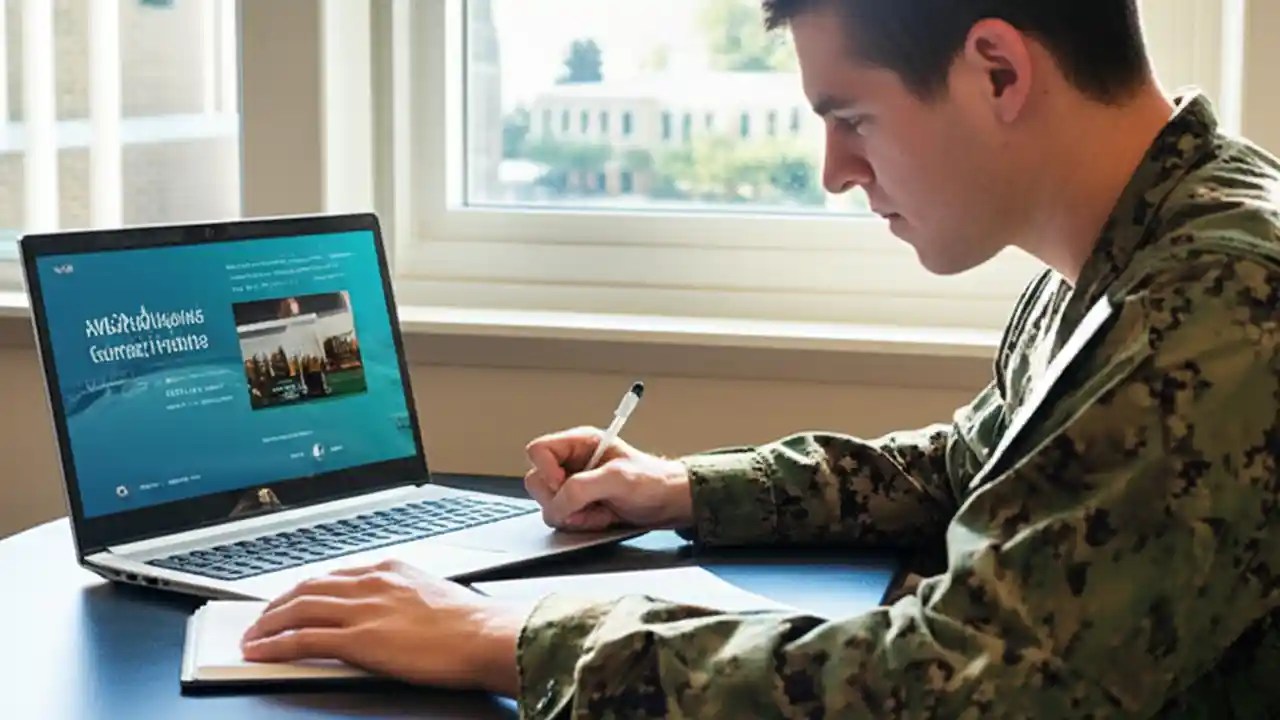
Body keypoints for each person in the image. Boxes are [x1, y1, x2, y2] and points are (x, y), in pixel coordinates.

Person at [239, 1, 1280, 717]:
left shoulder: (1216, 305)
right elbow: (967, 470)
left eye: (851, 117)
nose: (833, 173)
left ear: (997, 70)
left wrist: (510, 637)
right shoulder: (1137, 249)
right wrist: (680, 488)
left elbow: (960, 687)